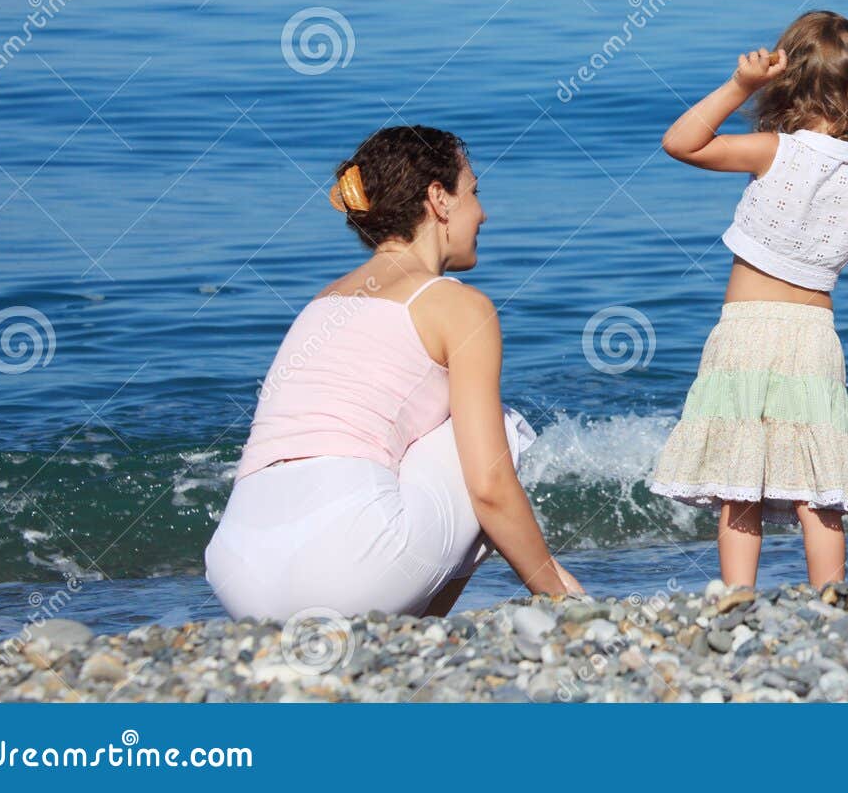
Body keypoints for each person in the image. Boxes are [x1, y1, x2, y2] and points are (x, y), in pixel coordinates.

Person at [205, 125, 581, 620]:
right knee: (498, 431)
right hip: (347, 571)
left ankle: (410, 630)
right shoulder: (458, 306)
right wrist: (559, 596)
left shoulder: (322, 303)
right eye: (473, 192)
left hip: (238, 572)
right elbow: (489, 488)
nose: (483, 213)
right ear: (439, 199)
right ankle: (419, 623)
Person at [649, 11, 848, 588]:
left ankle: (738, 596)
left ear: (786, 82)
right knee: (820, 486)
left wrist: (739, 84)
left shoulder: (773, 150)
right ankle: (829, 594)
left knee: (740, 482)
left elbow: (679, 142)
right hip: (814, 340)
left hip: (745, 332)